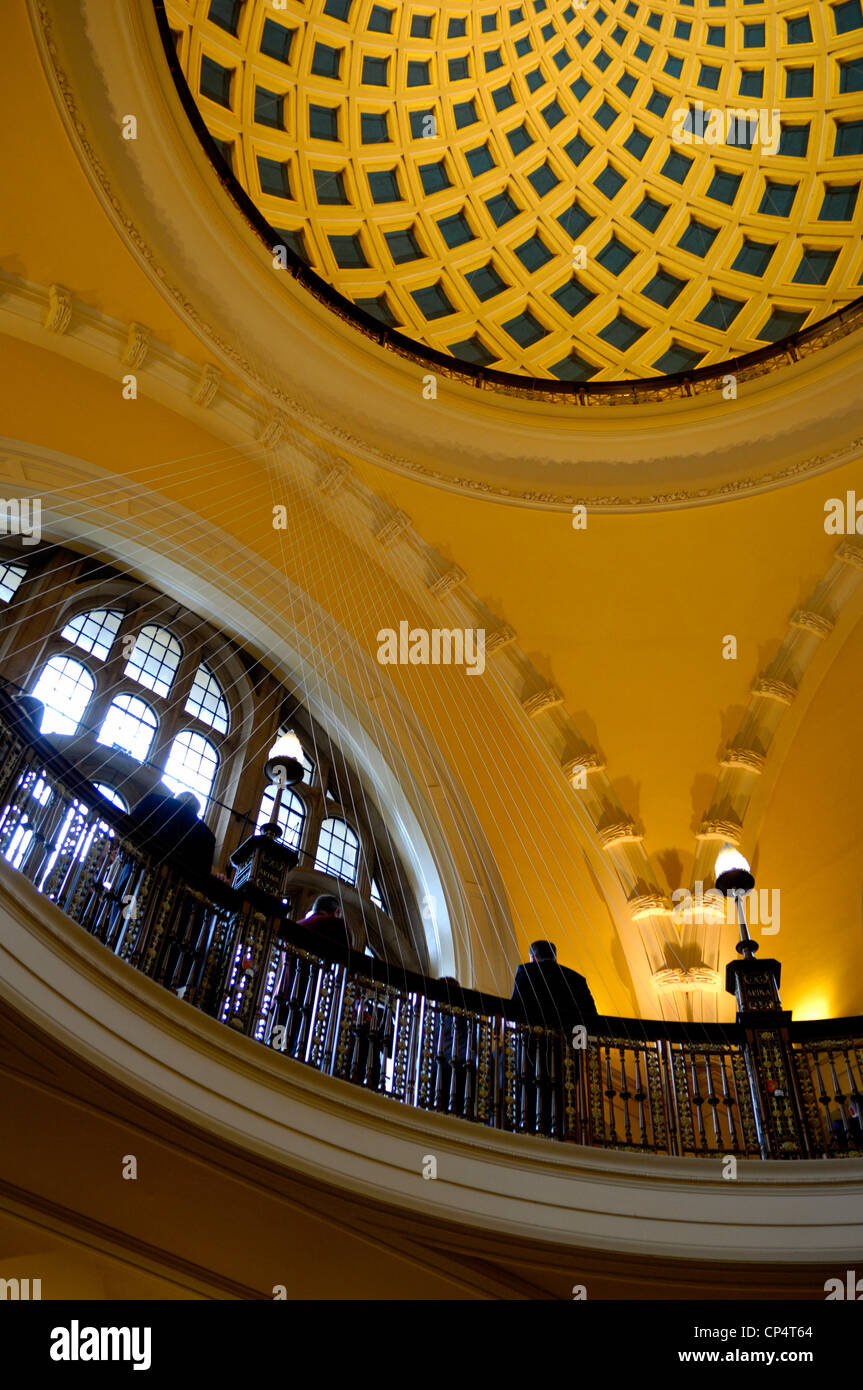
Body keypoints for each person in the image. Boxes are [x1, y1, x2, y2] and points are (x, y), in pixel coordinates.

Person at [509, 941, 598, 1138]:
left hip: (533, 1049)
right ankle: (561, 1133)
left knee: (531, 1094)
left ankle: (529, 1129)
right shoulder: (576, 980)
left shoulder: (527, 972)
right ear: (555, 957)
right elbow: (591, 1019)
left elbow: (515, 1010)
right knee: (562, 1097)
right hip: (565, 1052)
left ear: (532, 958)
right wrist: (578, 1048)